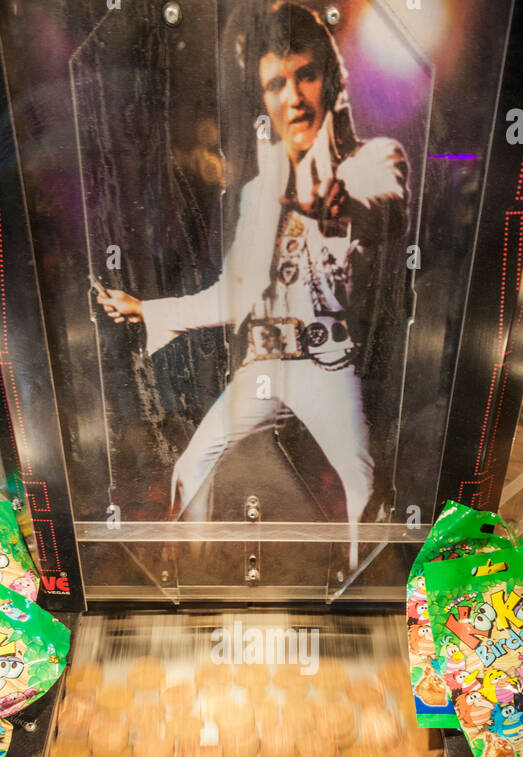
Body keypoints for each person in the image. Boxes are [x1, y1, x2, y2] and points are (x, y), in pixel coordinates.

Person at [98, 2, 409, 568]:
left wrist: (299, 175)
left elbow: (369, 214)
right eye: (275, 84)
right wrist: (147, 308)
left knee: (361, 484)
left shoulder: (374, 161)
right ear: (263, 98)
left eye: (306, 75)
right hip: (262, 365)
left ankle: (368, 585)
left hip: (327, 364)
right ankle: (193, 570)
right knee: (192, 465)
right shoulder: (255, 195)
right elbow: (234, 296)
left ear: (331, 79)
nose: (293, 96)